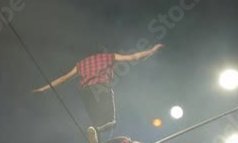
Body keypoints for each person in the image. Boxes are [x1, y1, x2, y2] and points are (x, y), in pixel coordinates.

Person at [33, 44, 163, 135]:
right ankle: (107, 123)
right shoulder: (109, 57)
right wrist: (152, 50)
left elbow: (64, 78)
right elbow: (134, 57)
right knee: (110, 121)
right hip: (101, 87)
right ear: (103, 52)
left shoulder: (81, 64)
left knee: (97, 125)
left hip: (86, 92)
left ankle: (95, 134)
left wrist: (44, 88)